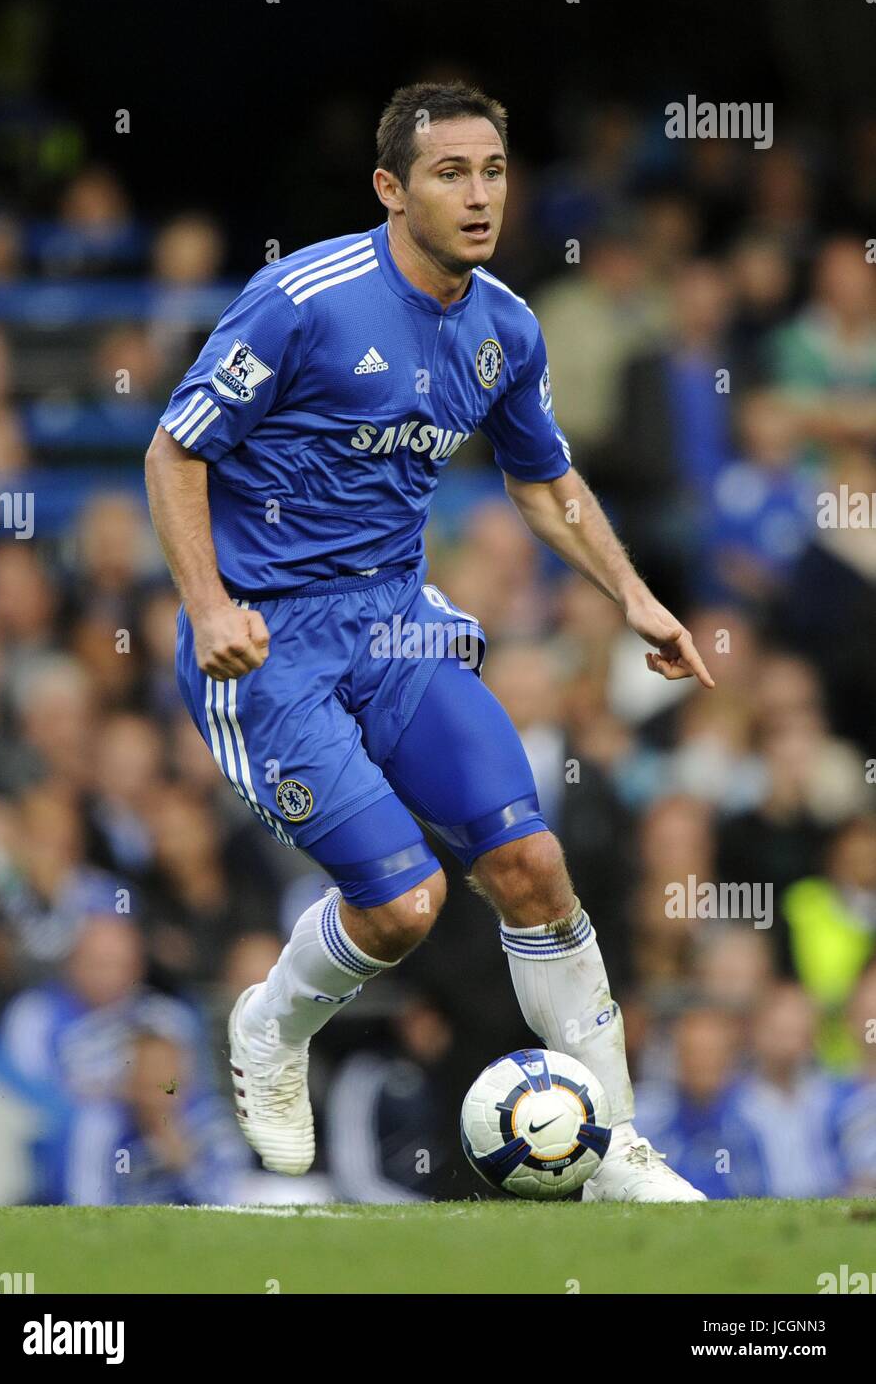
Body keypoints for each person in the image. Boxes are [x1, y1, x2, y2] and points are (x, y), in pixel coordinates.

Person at [145, 81, 714, 1202]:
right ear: (390, 188)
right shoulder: (303, 299)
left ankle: (615, 1156)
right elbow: (175, 451)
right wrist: (210, 606)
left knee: (532, 865)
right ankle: (270, 1023)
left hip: (399, 625)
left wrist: (634, 598)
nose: (479, 193)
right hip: (272, 643)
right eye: (451, 173)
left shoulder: (506, 326)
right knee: (405, 907)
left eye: (494, 171)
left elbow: (543, 483)